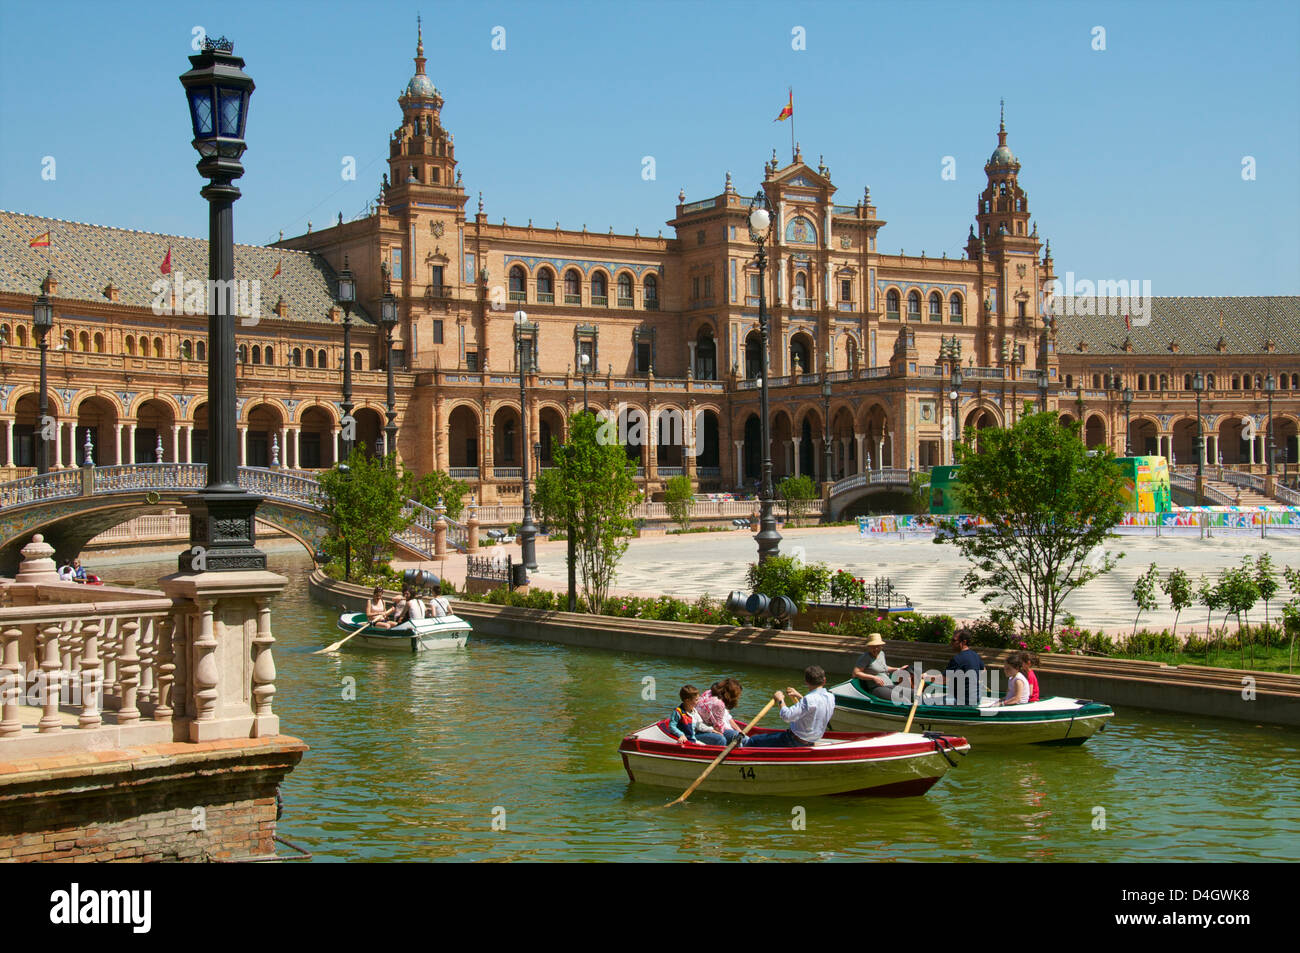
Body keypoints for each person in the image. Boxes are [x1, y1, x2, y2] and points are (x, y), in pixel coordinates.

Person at [742, 666, 835, 748]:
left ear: (806, 682)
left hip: (795, 741)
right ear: (824, 680)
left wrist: (780, 700)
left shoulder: (808, 700)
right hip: (812, 740)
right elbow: (814, 707)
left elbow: (787, 716)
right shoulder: (830, 697)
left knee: (754, 740)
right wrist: (799, 696)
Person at [852, 632, 909, 702]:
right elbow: (855, 673)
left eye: (878, 646)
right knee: (903, 699)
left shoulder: (881, 654)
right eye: (873, 646)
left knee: (913, 694)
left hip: (889, 684)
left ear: (881, 646)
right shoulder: (865, 657)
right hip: (877, 688)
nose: (876, 649)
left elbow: (884, 668)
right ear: (868, 647)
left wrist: (898, 669)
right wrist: (873, 677)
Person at [935, 630, 985, 706]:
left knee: (924, 702)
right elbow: (983, 670)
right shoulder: (975, 655)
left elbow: (943, 680)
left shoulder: (957, 659)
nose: (951, 643)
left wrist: (926, 678)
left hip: (962, 701)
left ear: (964, 642)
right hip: (976, 698)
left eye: (954, 640)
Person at [694, 678, 743, 746]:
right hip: (700, 730)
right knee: (730, 738)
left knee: (738, 736)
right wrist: (734, 732)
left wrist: (739, 731)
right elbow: (719, 729)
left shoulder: (709, 692)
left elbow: (724, 718)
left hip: (702, 725)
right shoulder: (719, 704)